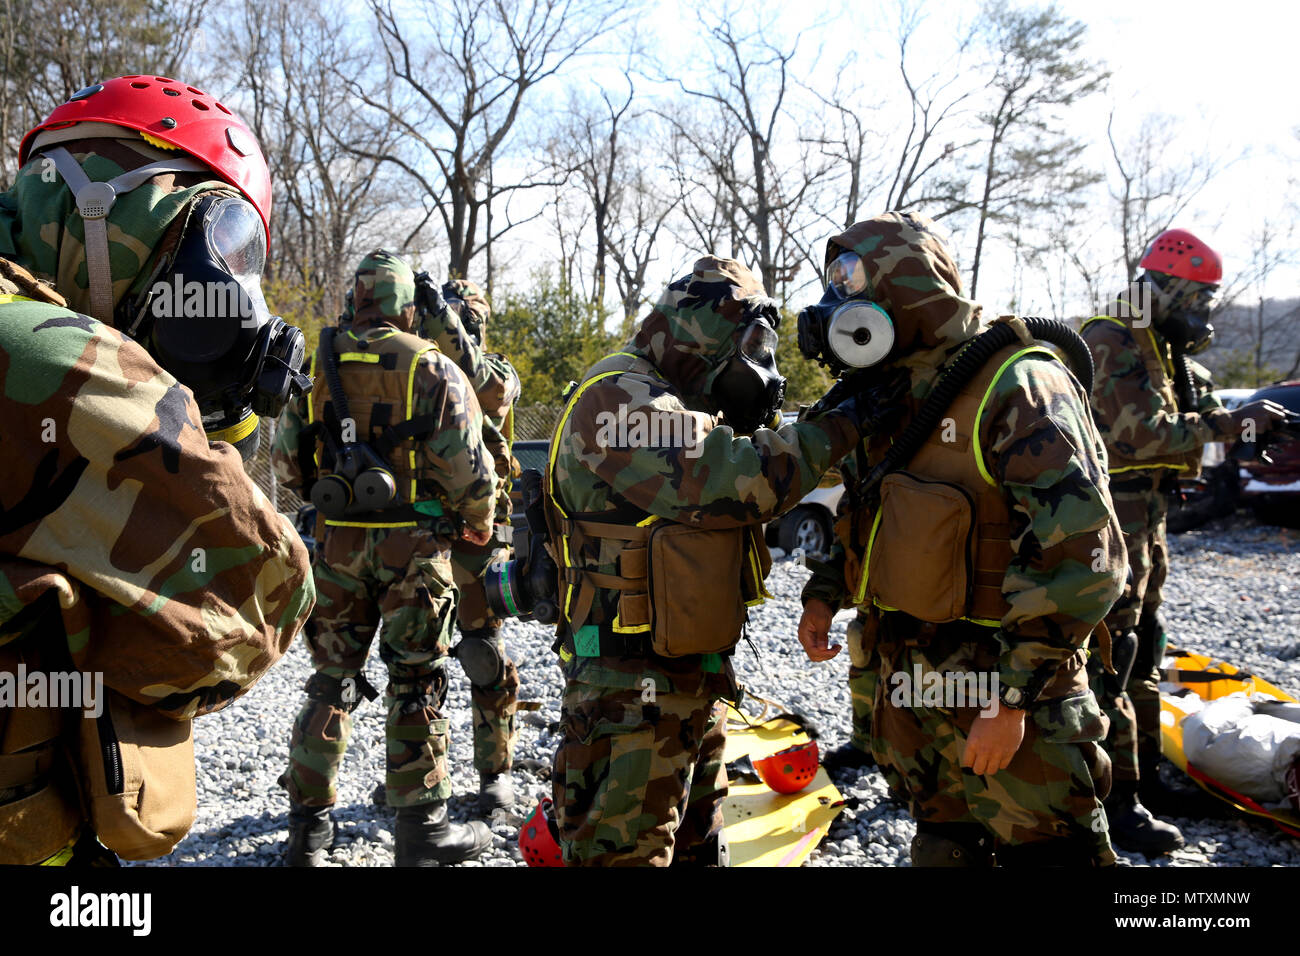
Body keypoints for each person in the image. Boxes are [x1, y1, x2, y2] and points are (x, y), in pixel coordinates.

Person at [0, 75, 315, 865]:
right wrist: (231, 400)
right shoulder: (44, 353)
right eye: (225, 244)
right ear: (100, 210)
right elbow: (257, 604)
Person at [797, 211, 1124, 867]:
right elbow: (867, 507)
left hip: (1006, 692)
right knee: (946, 849)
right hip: (913, 687)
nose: (839, 303)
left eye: (855, 282)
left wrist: (1013, 698)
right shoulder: (886, 388)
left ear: (909, 290)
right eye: (835, 283)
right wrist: (825, 592)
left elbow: (1086, 557)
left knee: (1050, 854)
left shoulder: (1017, 382)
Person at [544, 255, 870, 866]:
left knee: (698, 845)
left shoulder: (671, 396)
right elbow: (736, 479)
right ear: (701, 337)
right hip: (627, 686)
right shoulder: (619, 397)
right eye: (748, 345)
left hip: (685, 677)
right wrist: (843, 419)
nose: (759, 367)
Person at [273, 250, 500, 867]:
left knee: (331, 679)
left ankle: (307, 833)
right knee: (417, 682)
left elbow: (288, 463)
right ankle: (421, 831)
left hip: (337, 546)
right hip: (416, 553)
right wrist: (477, 525)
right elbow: (469, 471)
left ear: (355, 298)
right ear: (407, 304)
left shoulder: (320, 366)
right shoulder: (433, 366)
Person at [1080, 228, 1288, 856]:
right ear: (1164, 286)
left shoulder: (1156, 343)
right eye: (1196, 297)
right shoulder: (1112, 337)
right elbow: (1137, 436)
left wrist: (1234, 430)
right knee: (1110, 662)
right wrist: (1233, 421)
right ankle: (1111, 803)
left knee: (1144, 652)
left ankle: (1143, 782)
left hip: (1148, 516)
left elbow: (1177, 429)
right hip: (1109, 520)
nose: (1202, 311)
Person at [415, 277, 522, 812]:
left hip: (481, 538)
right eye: (454, 315)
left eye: (468, 317)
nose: (461, 324)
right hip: (426, 534)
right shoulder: (422, 369)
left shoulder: (496, 372)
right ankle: (421, 777)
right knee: (418, 662)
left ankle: (494, 772)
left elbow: (484, 385)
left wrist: (444, 318)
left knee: (483, 654)